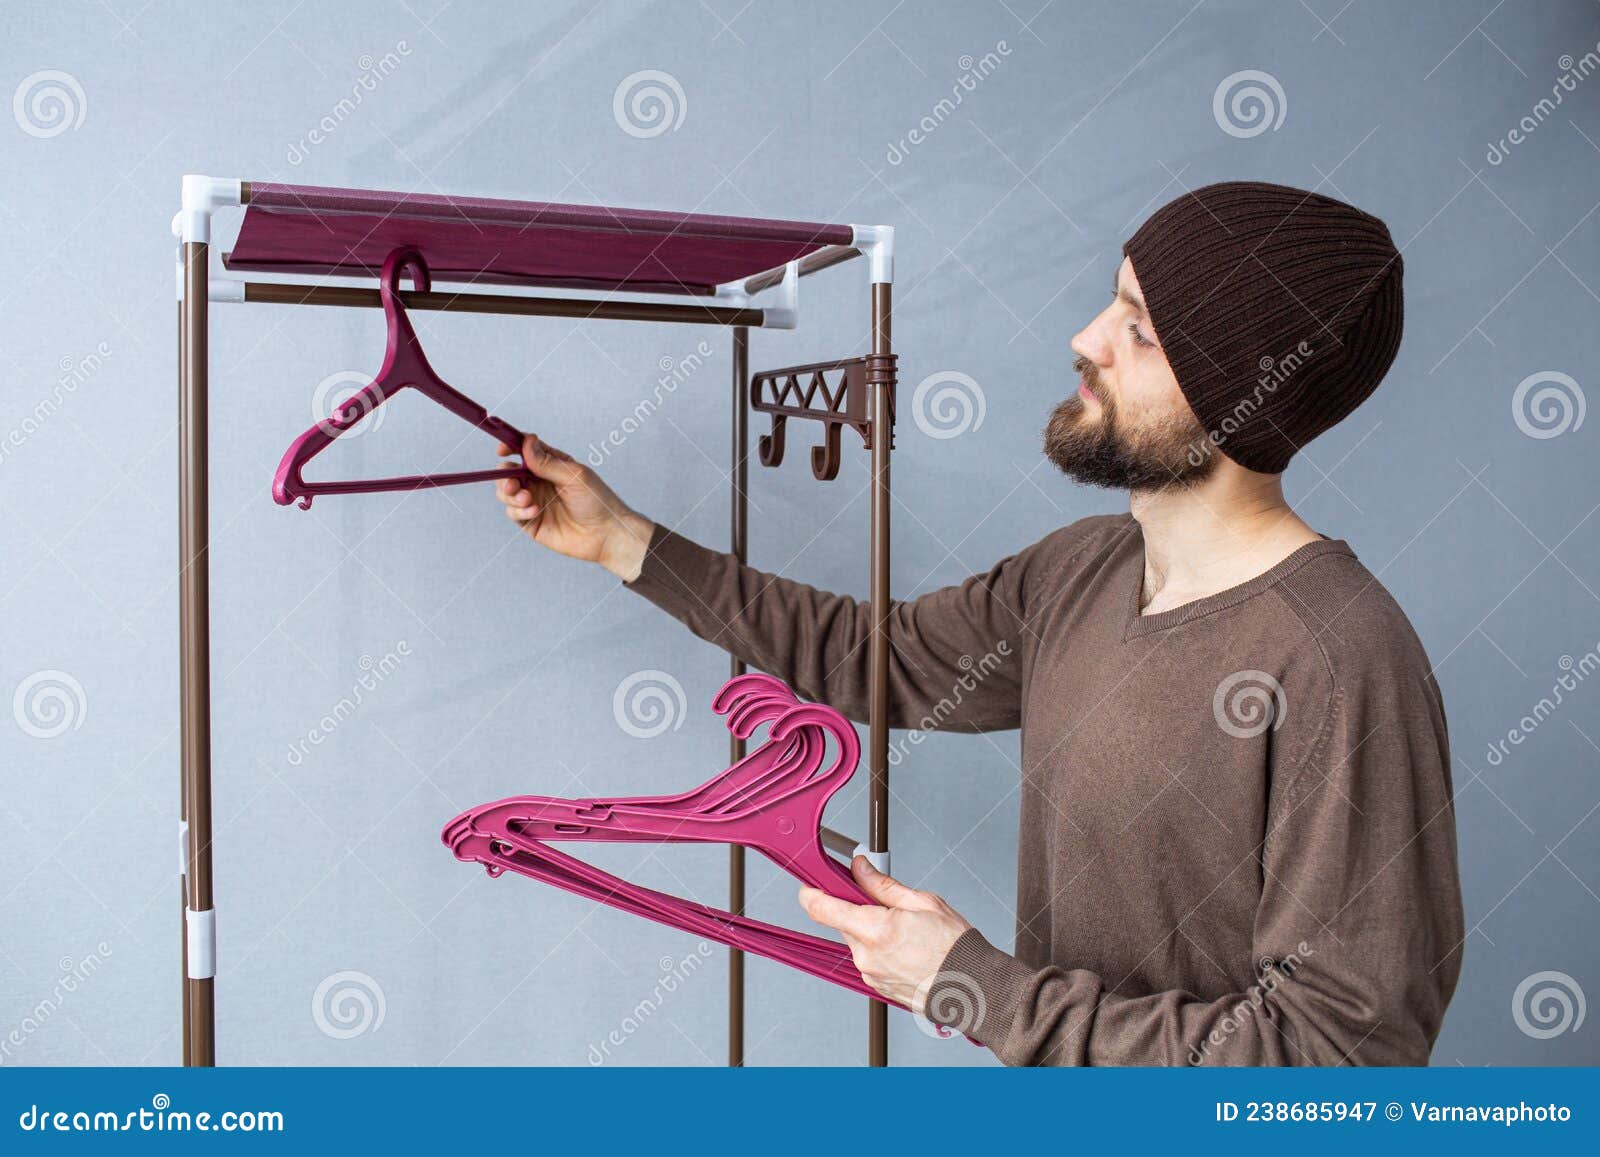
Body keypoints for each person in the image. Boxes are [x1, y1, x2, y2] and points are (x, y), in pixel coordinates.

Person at [492, 180, 1464, 1066]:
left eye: (1142, 330)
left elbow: (1338, 1059)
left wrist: (974, 984)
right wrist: (624, 540)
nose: (1087, 338)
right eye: (1113, 301)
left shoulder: (1340, 658)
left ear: (1241, 392)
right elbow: (872, 657)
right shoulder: (1079, 570)